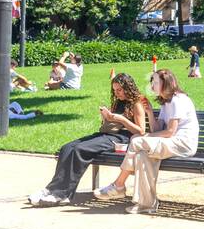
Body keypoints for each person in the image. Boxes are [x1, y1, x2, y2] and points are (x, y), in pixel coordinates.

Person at [30, 72, 153, 206]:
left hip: (123, 139)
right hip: (108, 135)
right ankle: (52, 189)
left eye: (119, 90)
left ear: (128, 87)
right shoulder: (119, 101)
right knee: (67, 148)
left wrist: (122, 119)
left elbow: (141, 131)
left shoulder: (137, 102)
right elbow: (112, 123)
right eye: (115, 90)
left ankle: (62, 193)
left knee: (79, 149)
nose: (117, 93)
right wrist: (107, 117)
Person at [94, 69, 198, 214]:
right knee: (141, 156)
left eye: (155, 82)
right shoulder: (165, 103)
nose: (152, 85)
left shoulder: (178, 100)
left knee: (136, 141)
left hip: (182, 144)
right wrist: (149, 112)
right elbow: (157, 129)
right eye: (152, 81)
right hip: (170, 143)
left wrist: (143, 138)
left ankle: (119, 185)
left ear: (165, 83)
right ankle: (147, 204)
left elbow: (169, 132)